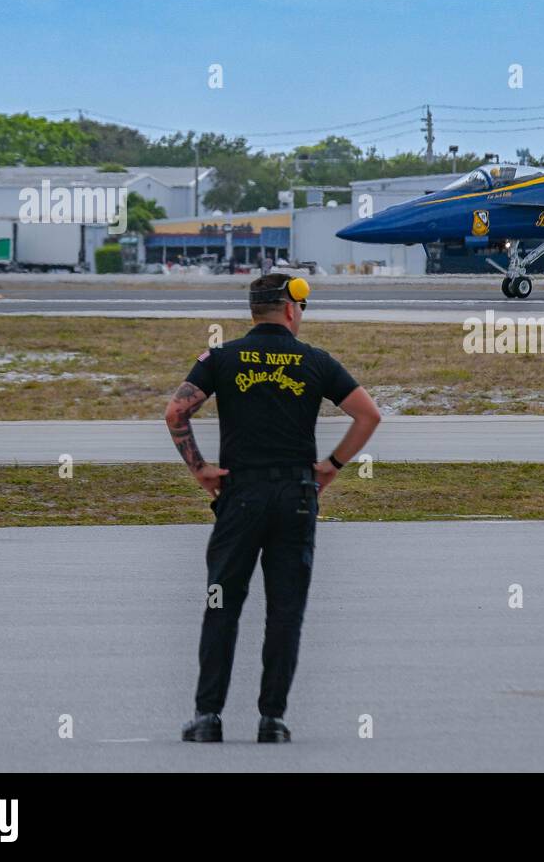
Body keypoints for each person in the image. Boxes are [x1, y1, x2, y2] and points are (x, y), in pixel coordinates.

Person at [164, 272, 381, 742]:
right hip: (296, 500)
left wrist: (200, 469)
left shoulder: (222, 358)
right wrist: (333, 465)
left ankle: (207, 718)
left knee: (221, 604)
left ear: (252, 311)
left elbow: (176, 411)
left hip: (239, 498)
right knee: (285, 611)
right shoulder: (316, 362)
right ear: (290, 309)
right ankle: (272, 720)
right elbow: (369, 414)